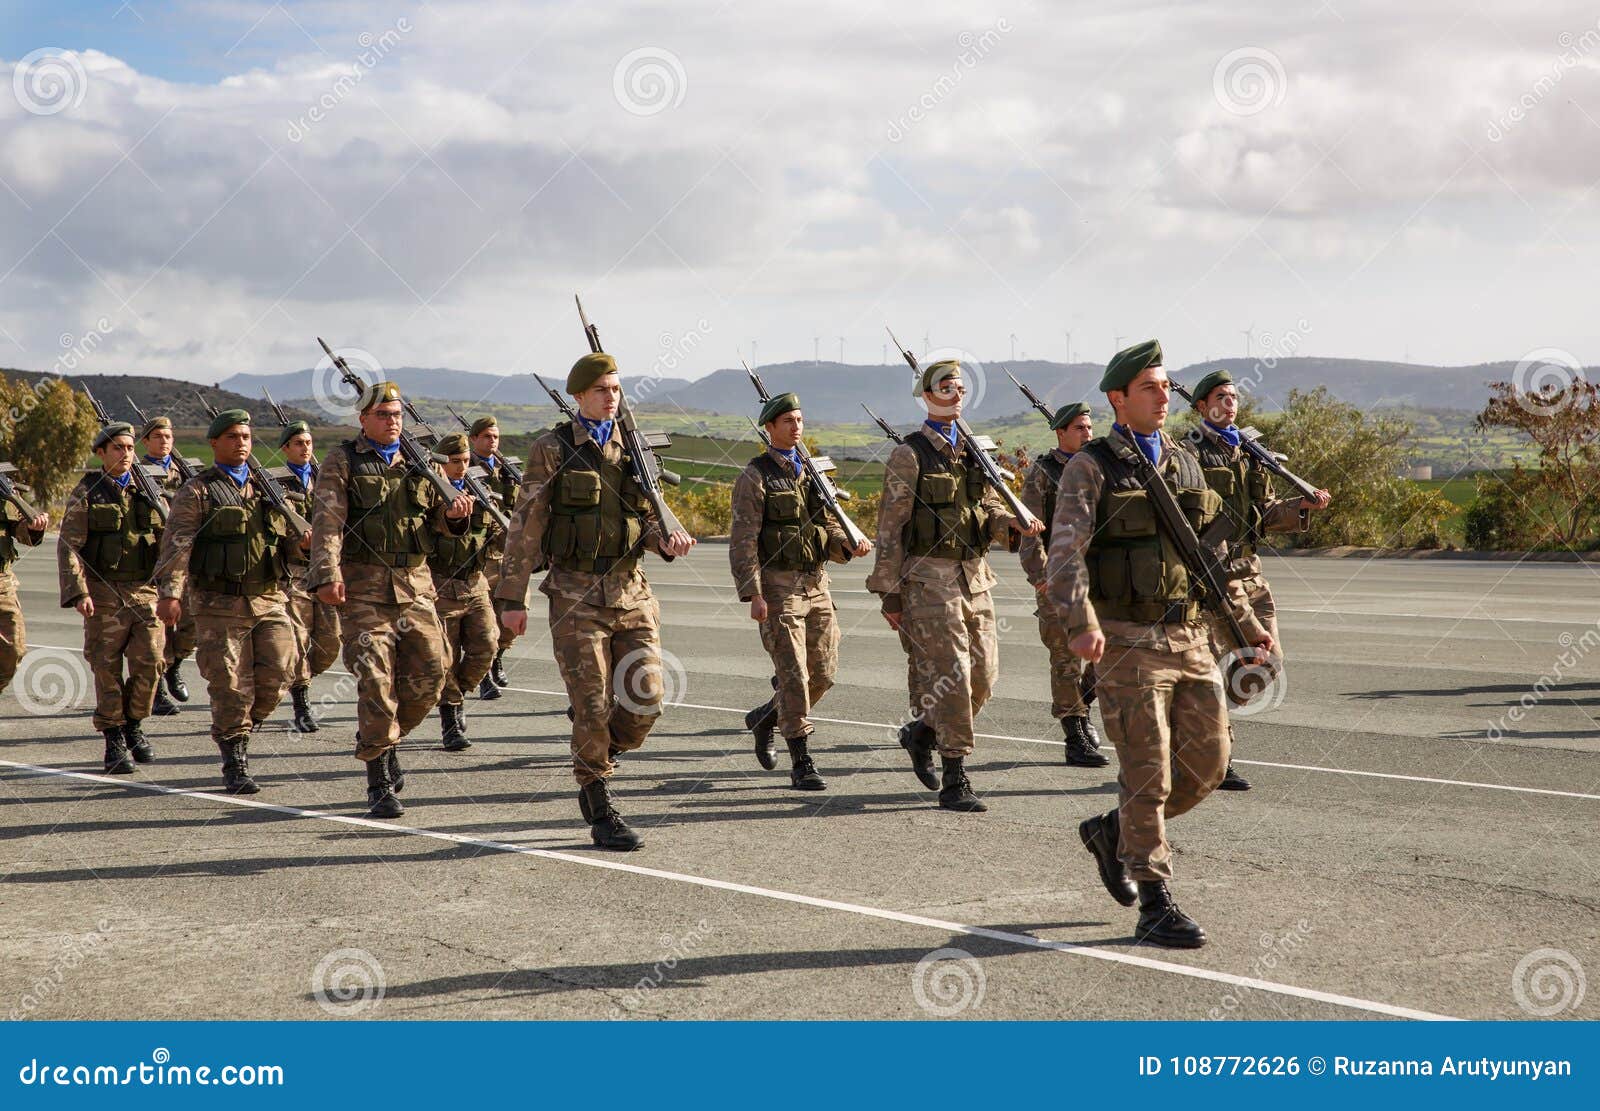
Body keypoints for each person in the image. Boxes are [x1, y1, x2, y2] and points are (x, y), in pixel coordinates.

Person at [1046, 340, 1272, 948]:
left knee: (1208, 765)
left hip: (1190, 634)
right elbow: (1063, 555)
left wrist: (1247, 625)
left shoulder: (1185, 463)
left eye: (1167, 386)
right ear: (1118, 398)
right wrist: (1081, 623)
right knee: (1147, 773)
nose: (1163, 397)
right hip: (1124, 639)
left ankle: (1111, 832)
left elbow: (1215, 554)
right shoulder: (1090, 466)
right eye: (1150, 387)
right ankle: (1155, 901)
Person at [496, 352, 695, 850]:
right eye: (603, 390)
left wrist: (666, 538)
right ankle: (598, 799)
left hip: (632, 592)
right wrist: (511, 598)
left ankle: (604, 748)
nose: (613, 397)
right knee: (591, 704)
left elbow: (647, 518)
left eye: (617, 389)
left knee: (647, 698)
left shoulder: (635, 449)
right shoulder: (553, 448)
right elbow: (527, 524)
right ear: (579, 396)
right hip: (574, 594)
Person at [865, 358, 1041, 812]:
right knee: (954, 676)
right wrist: (890, 591)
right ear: (926, 396)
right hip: (928, 579)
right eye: (946, 386)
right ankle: (955, 776)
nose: (956, 392)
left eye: (960, 386)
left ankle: (922, 731)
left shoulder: (975, 451)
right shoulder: (910, 454)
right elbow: (890, 526)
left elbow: (985, 507)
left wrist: (1014, 523)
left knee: (984, 675)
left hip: (975, 576)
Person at [305, 381, 473, 819]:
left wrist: (454, 516)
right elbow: (327, 522)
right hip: (364, 591)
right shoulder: (343, 461)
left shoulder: (420, 461)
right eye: (383, 415)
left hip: (416, 587)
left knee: (433, 675)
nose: (392, 421)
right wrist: (327, 573)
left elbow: (437, 519)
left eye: (397, 415)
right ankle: (378, 777)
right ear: (363, 419)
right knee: (377, 684)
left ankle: (388, 739)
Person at [1185, 370, 1331, 791]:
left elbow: (1265, 513)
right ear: (1200, 406)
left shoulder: (1248, 451)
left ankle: (1195, 728)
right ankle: (1217, 756)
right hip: (1213, 575)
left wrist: (1299, 505)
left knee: (1267, 662)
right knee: (1216, 668)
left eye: (1233, 396)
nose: (1230, 402)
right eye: (1220, 396)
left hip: (1250, 572)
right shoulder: (1189, 454)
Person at [152, 409, 301, 793]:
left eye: (246, 437)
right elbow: (177, 546)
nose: (241, 443)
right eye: (233, 437)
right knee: (229, 684)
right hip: (218, 604)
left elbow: (289, 545)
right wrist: (169, 594)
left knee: (282, 671)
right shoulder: (197, 491)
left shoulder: (270, 488)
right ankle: (235, 757)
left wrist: (304, 545)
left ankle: (242, 727)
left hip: (268, 598)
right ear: (215, 442)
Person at [729, 392, 871, 790]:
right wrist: (752, 593)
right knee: (792, 676)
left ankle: (765, 718)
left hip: (817, 584)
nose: (796, 427)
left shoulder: (812, 473)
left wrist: (847, 543)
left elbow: (828, 525)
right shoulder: (754, 476)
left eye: (800, 420)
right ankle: (801, 759)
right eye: (788, 421)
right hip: (778, 588)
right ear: (769, 428)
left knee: (822, 673)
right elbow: (743, 540)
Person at [57, 423, 167, 773]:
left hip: (144, 591)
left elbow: (171, 542)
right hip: (102, 593)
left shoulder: (148, 490)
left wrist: (173, 589)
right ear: (101, 452)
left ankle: (134, 722)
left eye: (130, 448)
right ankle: (113, 737)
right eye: (117, 448)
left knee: (150, 660)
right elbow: (69, 546)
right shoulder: (87, 492)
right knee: (106, 668)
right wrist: (79, 591)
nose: (125, 454)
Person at [1017, 401, 1107, 768]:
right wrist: (1041, 576)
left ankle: (1082, 706)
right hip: (1059, 581)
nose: (1088, 434)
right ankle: (1076, 733)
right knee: (1065, 659)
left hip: (1100, 580)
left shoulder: (1096, 468)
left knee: (1109, 659)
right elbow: (1030, 533)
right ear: (1061, 433)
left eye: (1089, 427)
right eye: (1081, 429)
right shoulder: (1043, 472)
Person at [427, 432, 499, 751]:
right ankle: (450, 719)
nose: (461, 467)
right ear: (442, 463)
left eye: (466, 461)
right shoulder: (429, 496)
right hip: (440, 586)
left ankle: (456, 697)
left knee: (487, 646)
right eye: (455, 461)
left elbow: (496, 534)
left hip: (475, 584)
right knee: (445, 659)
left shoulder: (480, 492)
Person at [276, 419, 341, 733]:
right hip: (295, 574)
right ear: (286, 448)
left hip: (326, 571)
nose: (305, 448)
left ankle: (291, 679)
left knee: (330, 643)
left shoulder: (325, 478)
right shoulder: (276, 483)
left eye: (309, 443)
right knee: (299, 640)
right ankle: (301, 701)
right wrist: (297, 542)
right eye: (299, 443)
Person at [140, 416, 191, 716]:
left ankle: (175, 666)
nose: (164, 441)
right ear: (146, 441)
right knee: (156, 631)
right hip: (152, 561)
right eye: (158, 436)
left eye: (169, 436)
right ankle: (158, 691)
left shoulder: (184, 472)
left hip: (182, 561)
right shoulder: (136, 471)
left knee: (189, 626)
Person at [470, 415, 520, 701]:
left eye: (496, 437)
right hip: (482, 556)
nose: (492, 441)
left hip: (509, 553)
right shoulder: (465, 469)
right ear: (474, 439)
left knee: (509, 622)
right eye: (487, 436)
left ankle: (499, 656)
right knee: (485, 622)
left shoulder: (507, 469)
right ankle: (485, 674)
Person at [0, 475, 48, 698]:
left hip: (2, 584)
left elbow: (20, 531)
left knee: (14, 650)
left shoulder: (5, 487)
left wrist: (33, 528)